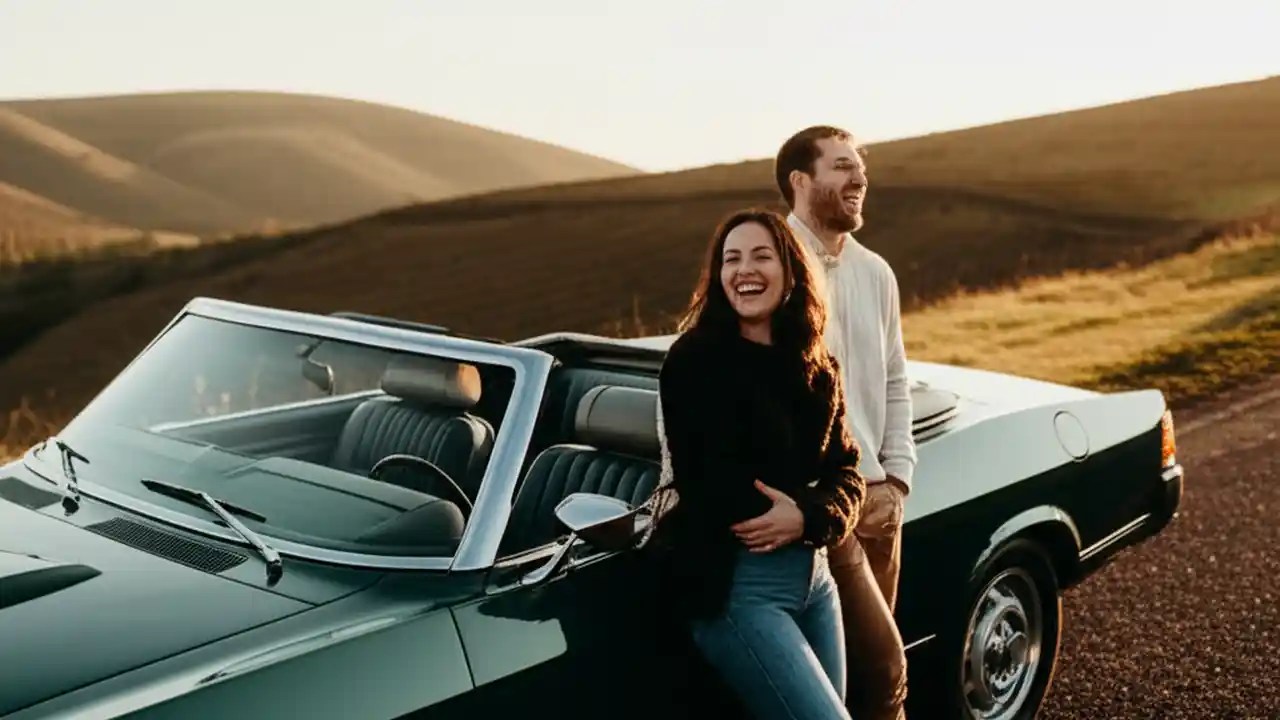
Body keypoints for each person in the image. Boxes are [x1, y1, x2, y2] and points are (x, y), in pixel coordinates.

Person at [649, 207, 867, 720]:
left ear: (789, 271)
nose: (745, 270)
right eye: (732, 259)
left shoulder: (815, 364)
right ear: (719, 276)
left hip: (815, 578)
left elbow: (847, 470)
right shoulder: (695, 361)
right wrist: (801, 510)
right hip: (737, 587)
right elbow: (706, 483)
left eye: (761, 256)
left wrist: (809, 517)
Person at [774, 125, 915, 719]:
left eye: (860, 168)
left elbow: (894, 377)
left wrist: (899, 478)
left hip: (878, 501)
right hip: (817, 506)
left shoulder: (877, 271)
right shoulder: (767, 261)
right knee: (880, 673)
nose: (860, 180)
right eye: (842, 167)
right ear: (801, 181)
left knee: (861, 676)